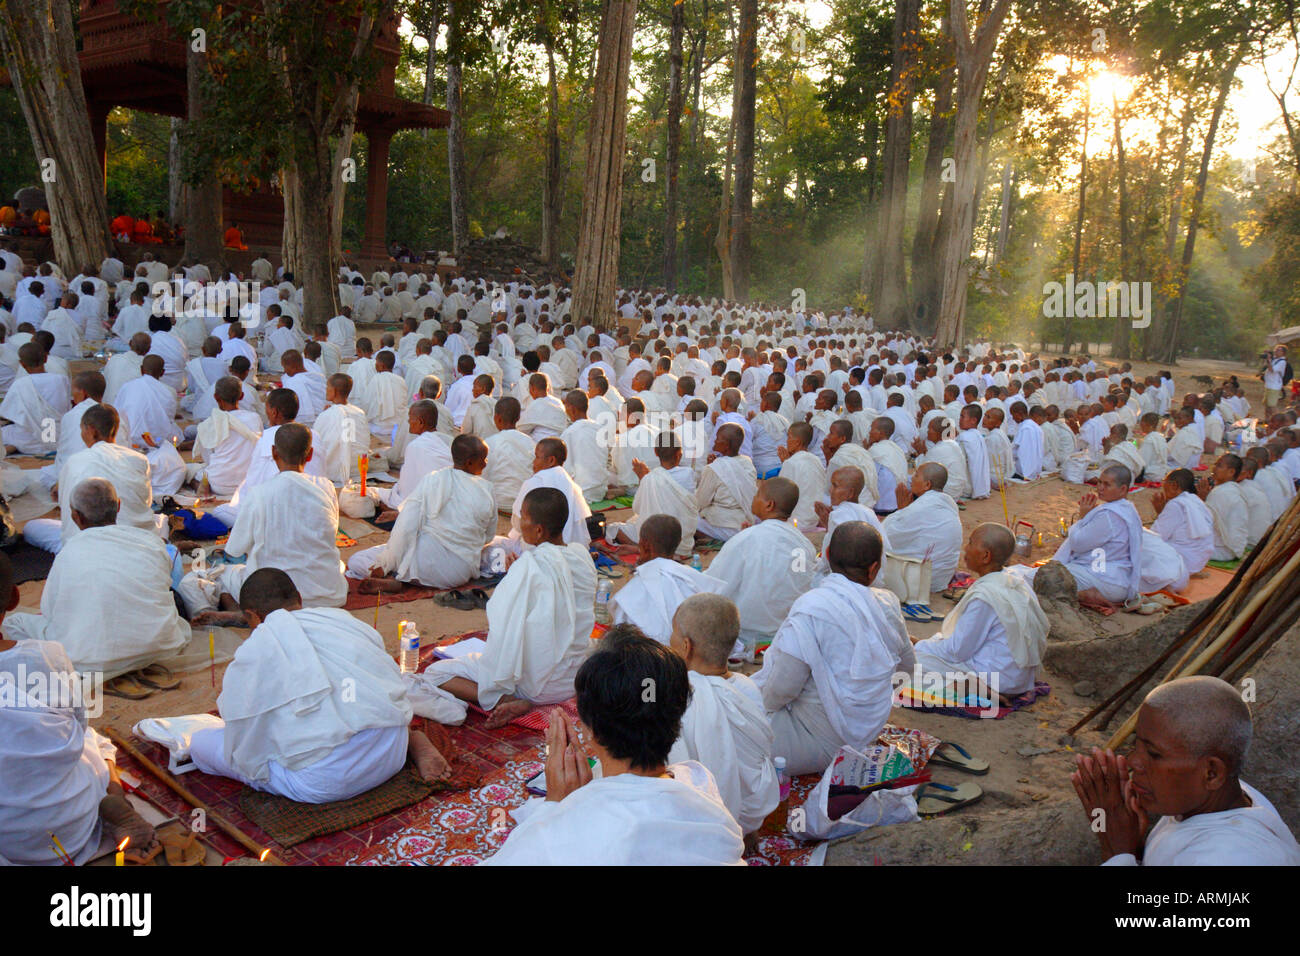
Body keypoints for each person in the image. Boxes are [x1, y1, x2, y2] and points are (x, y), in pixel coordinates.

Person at [481, 627, 744, 865]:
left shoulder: (562, 831)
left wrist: (555, 806)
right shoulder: (699, 783)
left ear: (588, 728)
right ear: (677, 717)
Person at [189, 569, 451, 803]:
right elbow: (388, 680)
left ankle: (400, 741)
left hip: (326, 783)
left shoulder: (256, 649)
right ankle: (410, 739)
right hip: (391, 752)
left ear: (251, 616)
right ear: (300, 599)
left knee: (201, 743)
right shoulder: (344, 621)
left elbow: (243, 729)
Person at [0, 552, 161, 865]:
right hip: (70, 822)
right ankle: (112, 792)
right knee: (89, 738)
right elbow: (77, 724)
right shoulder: (47, 655)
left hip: (9, 839)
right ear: (14, 597)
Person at [1073, 676, 1300, 865]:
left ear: (1211, 773)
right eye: (1136, 745)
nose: (1133, 762)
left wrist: (1115, 850)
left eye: (1153, 754)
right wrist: (1134, 846)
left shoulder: (1230, 857)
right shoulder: (1211, 799)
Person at [423, 487, 597, 728]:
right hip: (573, 680)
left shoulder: (530, 566)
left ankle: (507, 698)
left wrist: (515, 574)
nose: (518, 522)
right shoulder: (582, 557)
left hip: (536, 688)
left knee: (435, 673)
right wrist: (517, 572)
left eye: (523, 517)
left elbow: (502, 622)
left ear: (538, 530)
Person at [754, 522, 916, 775]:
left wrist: (761, 707)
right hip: (865, 735)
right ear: (874, 569)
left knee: (730, 725)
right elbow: (907, 668)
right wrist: (866, 704)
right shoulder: (888, 605)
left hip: (817, 744)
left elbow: (781, 688)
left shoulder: (813, 607)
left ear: (827, 556)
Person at [4, 478, 188, 679]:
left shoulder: (69, 552)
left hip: (87, 661)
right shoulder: (151, 542)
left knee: (15, 623)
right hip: (161, 647)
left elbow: (51, 612)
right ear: (118, 507)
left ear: (76, 517)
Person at [179, 424, 346, 622]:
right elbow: (330, 532)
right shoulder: (326, 487)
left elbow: (234, 550)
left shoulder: (259, 493)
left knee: (208, 577)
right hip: (329, 595)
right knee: (339, 565)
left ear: (274, 453)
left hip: (273, 598)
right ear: (310, 455)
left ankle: (239, 613)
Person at [666, 594, 779, 834]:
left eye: (673, 634)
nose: (669, 641)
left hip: (699, 820)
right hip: (747, 818)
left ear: (686, 647)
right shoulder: (747, 687)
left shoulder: (675, 694)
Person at [912, 524, 1048, 699]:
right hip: (1019, 679)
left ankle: (975, 688)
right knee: (933, 645)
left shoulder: (985, 597)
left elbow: (956, 651)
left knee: (905, 662)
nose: (965, 548)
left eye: (970, 543)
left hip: (998, 680)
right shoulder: (1016, 581)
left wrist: (918, 645)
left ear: (985, 556)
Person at [348, 435, 496, 592]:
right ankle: (399, 576)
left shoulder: (433, 480)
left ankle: (395, 577)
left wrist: (385, 564)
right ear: (470, 463)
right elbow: (489, 536)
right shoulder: (487, 490)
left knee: (357, 560)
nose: (486, 464)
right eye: (484, 459)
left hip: (421, 567)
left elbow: (405, 528)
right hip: (460, 573)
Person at [23, 404, 161, 554]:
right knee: (159, 521)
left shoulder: (75, 461)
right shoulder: (139, 459)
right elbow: (144, 504)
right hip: (139, 543)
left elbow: (68, 511)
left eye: (82, 429)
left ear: (91, 430)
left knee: (32, 527)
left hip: (84, 547)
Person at [707, 477, 817, 655]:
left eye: (758, 494)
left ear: (769, 505)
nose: (754, 497)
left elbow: (714, 586)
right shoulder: (803, 544)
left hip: (746, 636)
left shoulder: (747, 539)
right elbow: (796, 581)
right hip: (789, 632)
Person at [1022, 464, 1144, 606]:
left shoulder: (1110, 515)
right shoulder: (1127, 509)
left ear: (1122, 489)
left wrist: (1083, 518)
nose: (1100, 488)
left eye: (1107, 485)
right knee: (1033, 574)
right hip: (1116, 579)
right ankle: (1082, 595)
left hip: (1105, 580)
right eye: (1099, 482)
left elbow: (1078, 544)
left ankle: (1088, 595)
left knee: (1031, 578)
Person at [610, 515, 724, 642]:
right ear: (679, 541)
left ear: (644, 545)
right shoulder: (694, 579)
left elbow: (619, 627)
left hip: (650, 655)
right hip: (694, 651)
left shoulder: (631, 592)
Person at [605, 433, 699, 556]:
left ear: (655, 452)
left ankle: (641, 549)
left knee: (612, 528)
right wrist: (646, 477)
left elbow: (637, 508)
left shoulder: (651, 478)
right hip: (682, 544)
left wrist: (642, 478)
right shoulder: (689, 474)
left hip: (658, 539)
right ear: (679, 454)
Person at [880, 462, 964, 592]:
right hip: (941, 579)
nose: (911, 478)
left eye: (916, 475)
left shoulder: (920, 507)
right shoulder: (949, 504)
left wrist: (901, 510)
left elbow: (885, 536)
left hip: (920, 583)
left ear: (927, 485)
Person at [374, 401, 452, 517]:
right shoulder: (448, 441)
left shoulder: (416, 446)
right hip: (446, 500)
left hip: (424, 504)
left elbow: (407, 488)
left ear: (420, 422)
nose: (408, 421)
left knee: (372, 494)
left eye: (410, 418)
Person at [191, 377, 263, 496]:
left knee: (191, 473)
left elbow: (208, 459)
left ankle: (201, 487)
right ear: (241, 396)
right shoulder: (255, 418)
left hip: (220, 485)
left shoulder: (210, 423)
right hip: (249, 482)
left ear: (216, 397)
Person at [1, 342, 70, 454]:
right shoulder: (61, 380)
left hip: (28, 444)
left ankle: (12, 447)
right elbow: (66, 408)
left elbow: (6, 414)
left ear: (22, 364)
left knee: (6, 431)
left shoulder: (20, 385)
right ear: (46, 358)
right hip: (56, 439)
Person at [694, 422, 757, 541]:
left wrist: (710, 470)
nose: (714, 441)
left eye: (717, 438)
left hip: (725, 526)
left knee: (688, 518)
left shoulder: (714, 468)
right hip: (745, 523)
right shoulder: (747, 463)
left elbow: (700, 502)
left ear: (726, 445)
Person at [1150, 468, 1215, 578]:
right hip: (1198, 562)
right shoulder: (1197, 500)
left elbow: (1155, 536)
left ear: (1174, 485)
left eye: (1164, 482)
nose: (1163, 487)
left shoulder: (1176, 505)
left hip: (1182, 563)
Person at [313, 372, 369, 486]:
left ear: (334, 391)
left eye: (327, 387)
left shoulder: (327, 415)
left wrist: (326, 414)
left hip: (332, 471)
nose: (326, 390)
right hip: (357, 468)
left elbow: (316, 441)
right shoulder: (359, 412)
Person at [483, 395, 536, 511]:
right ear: (518, 418)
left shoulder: (489, 443)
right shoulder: (530, 442)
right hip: (523, 504)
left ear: (497, 418)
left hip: (498, 504)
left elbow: (482, 477)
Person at [559, 389, 609, 502]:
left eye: (566, 407)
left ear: (572, 409)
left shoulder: (569, 433)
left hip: (580, 494)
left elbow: (566, 470)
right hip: (600, 491)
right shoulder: (600, 429)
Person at [1198, 454, 1249, 561]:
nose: (1214, 468)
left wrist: (1201, 501)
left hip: (1222, 550)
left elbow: (1203, 523)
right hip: (1233, 548)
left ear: (1231, 472)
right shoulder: (1230, 490)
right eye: (1215, 464)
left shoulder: (1222, 493)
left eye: (1219, 466)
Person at [776, 421, 827, 529]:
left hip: (796, 521)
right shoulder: (816, 460)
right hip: (813, 519)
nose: (787, 441)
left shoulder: (790, 463)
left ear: (797, 442)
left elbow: (781, 495)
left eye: (789, 437)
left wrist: (786, 463)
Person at [913, 417, 971, 500]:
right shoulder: (953, 445)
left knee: (912, 481)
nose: (927, 431)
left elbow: (921, 469)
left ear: (938, 433)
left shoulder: (938, 449)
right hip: (956, 493)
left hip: (947, 493)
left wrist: (920, 453)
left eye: (930, 429)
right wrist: (924, 453)